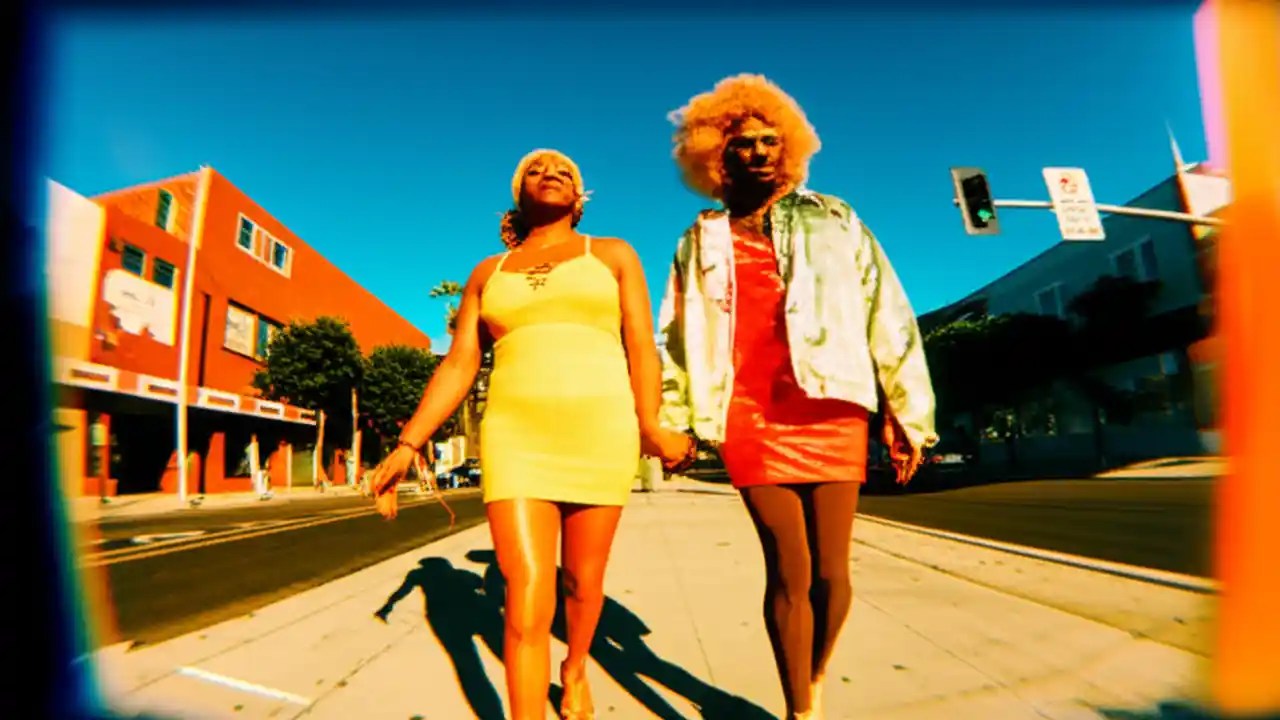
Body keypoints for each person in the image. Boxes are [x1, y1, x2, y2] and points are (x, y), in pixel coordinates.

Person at [367, 149, 693, 720]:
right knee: (525, 598)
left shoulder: (612, 254)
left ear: (580, 198)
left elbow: (642, 343)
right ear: (519, 195)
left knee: (583, 585)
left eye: (566, 172)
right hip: (516, 435)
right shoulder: (486, 273)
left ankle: (574, 669)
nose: (553, 175)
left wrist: (650, 425)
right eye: (538, 171)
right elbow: (459, 363)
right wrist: (409, 442)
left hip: (601, 428)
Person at [657, 74, 939, 720]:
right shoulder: (698, 240)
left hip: (834, 405)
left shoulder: (837, 218)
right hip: (749, 414)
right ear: (716, 158)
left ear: (788, 151)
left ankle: (805, 673)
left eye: (768, 141)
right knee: (790, 564)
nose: (756, 151)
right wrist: (673, 423)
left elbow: (886, 311)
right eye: (741, 144)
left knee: (833, 577)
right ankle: (800, 710)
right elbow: (674, 334)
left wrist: (906, 412)